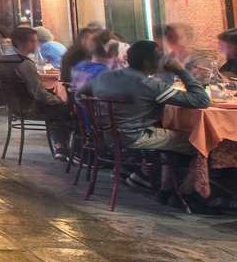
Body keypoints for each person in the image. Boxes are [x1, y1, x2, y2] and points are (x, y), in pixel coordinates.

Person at [81, 38, 209, 171]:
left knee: (175, 134)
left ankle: (153, 177)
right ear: (147, 62)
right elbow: (202, 100)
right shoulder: (148, 84)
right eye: (159, 56)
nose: (163, 60)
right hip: (135, 137)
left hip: (107, 135)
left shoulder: (105, 77)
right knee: (198, 142)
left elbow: (81, 93)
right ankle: (181, 187)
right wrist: (181, 71)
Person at [0, 26, 68, 121]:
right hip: (30, 108)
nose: (36, 44)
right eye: (33, 41)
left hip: (14, 107)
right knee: (70, 111)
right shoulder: (25, 63)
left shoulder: (4, 59)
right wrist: (60, 100)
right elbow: (38, 93)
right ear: (20, 43)